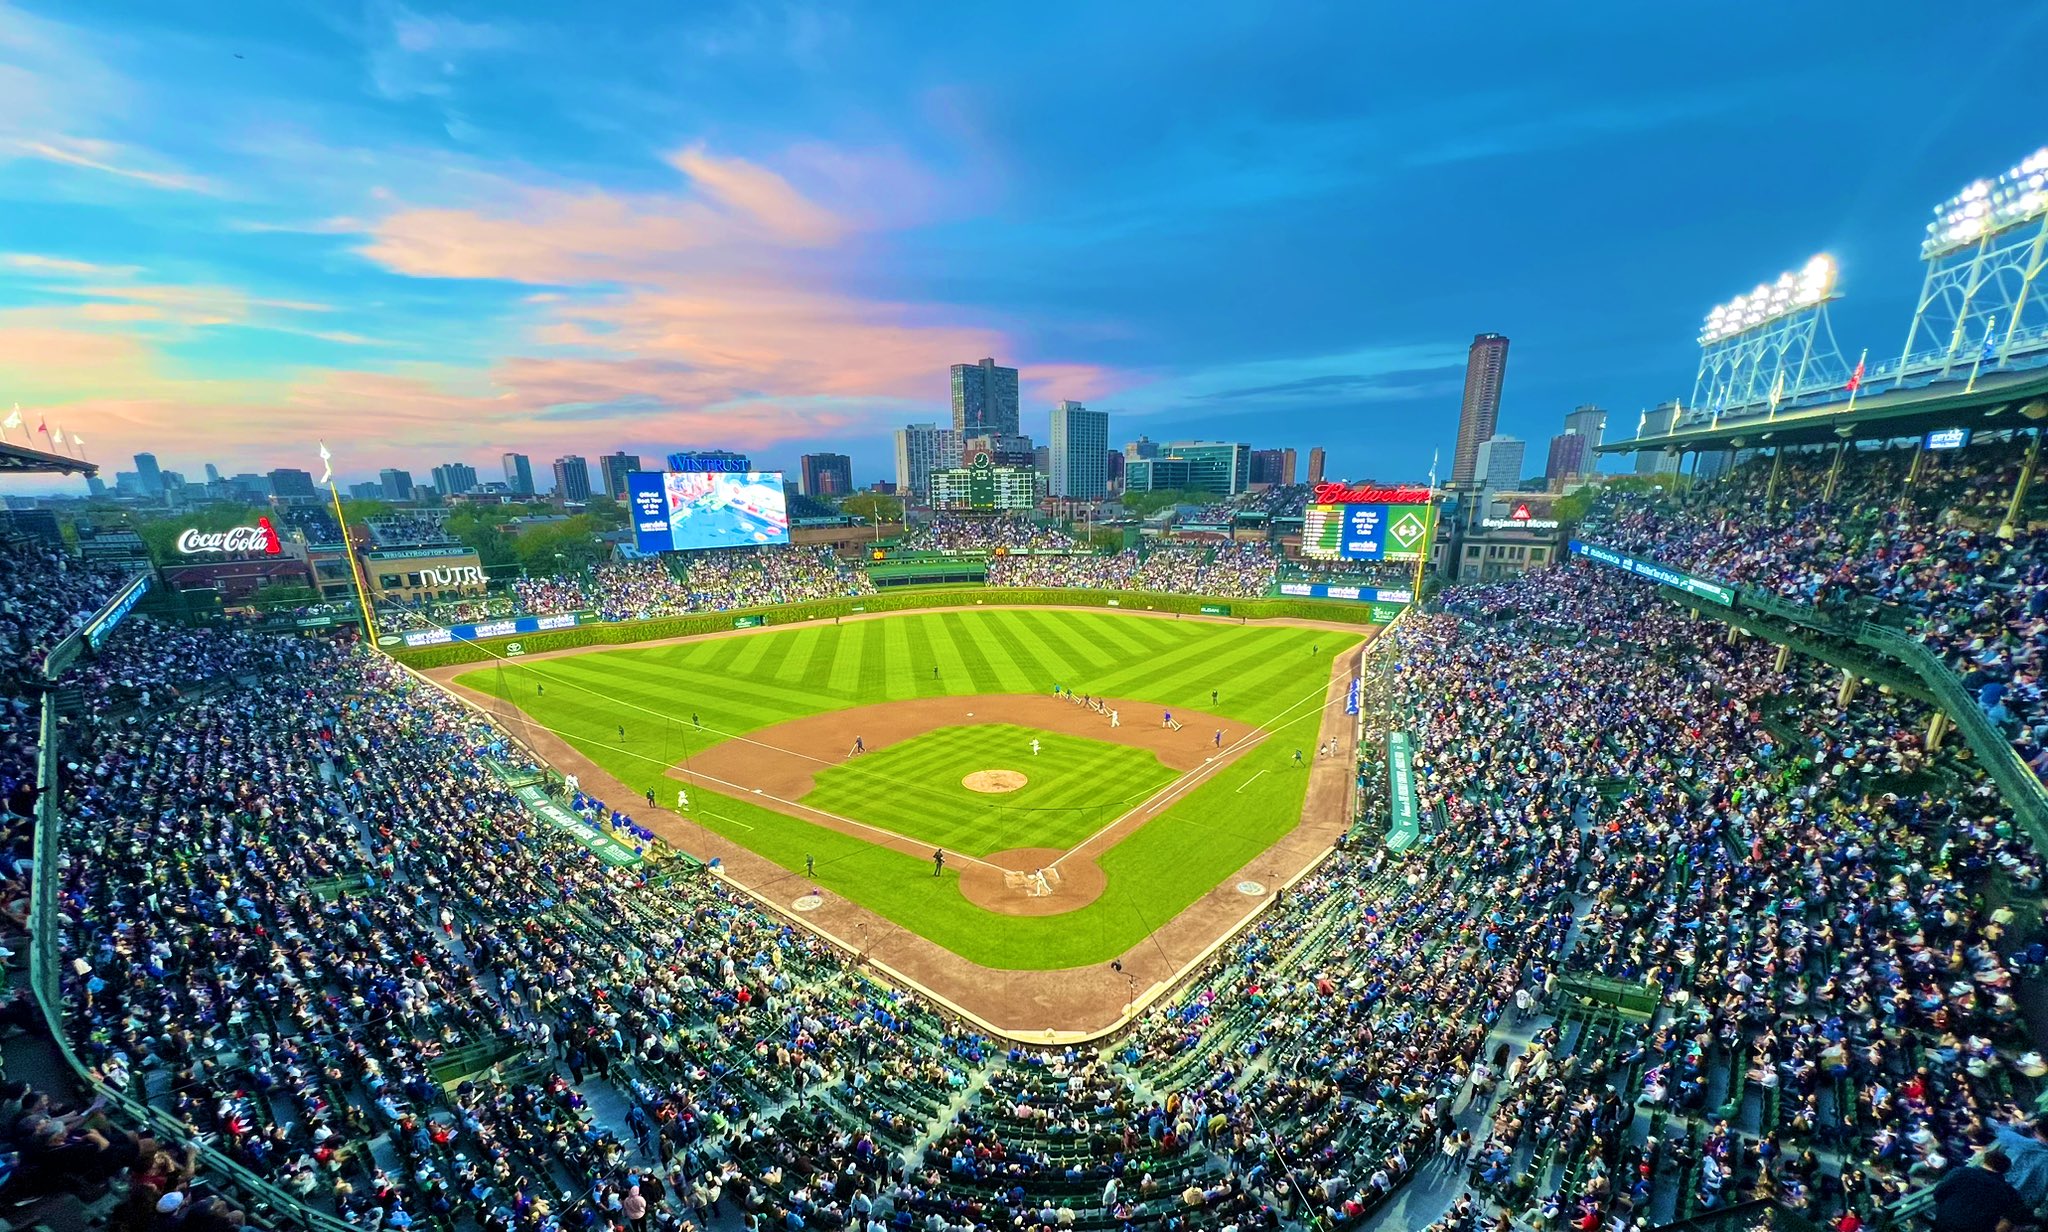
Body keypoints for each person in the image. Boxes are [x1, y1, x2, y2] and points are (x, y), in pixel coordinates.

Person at [1931, 1152, 2025, 1232]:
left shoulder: (1961, 1172)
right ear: (2005, 1170)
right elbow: (2016, 1214)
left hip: (1944, 1223)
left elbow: (1938, 1194)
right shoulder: (2009, 1192)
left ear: (1985, 1161)